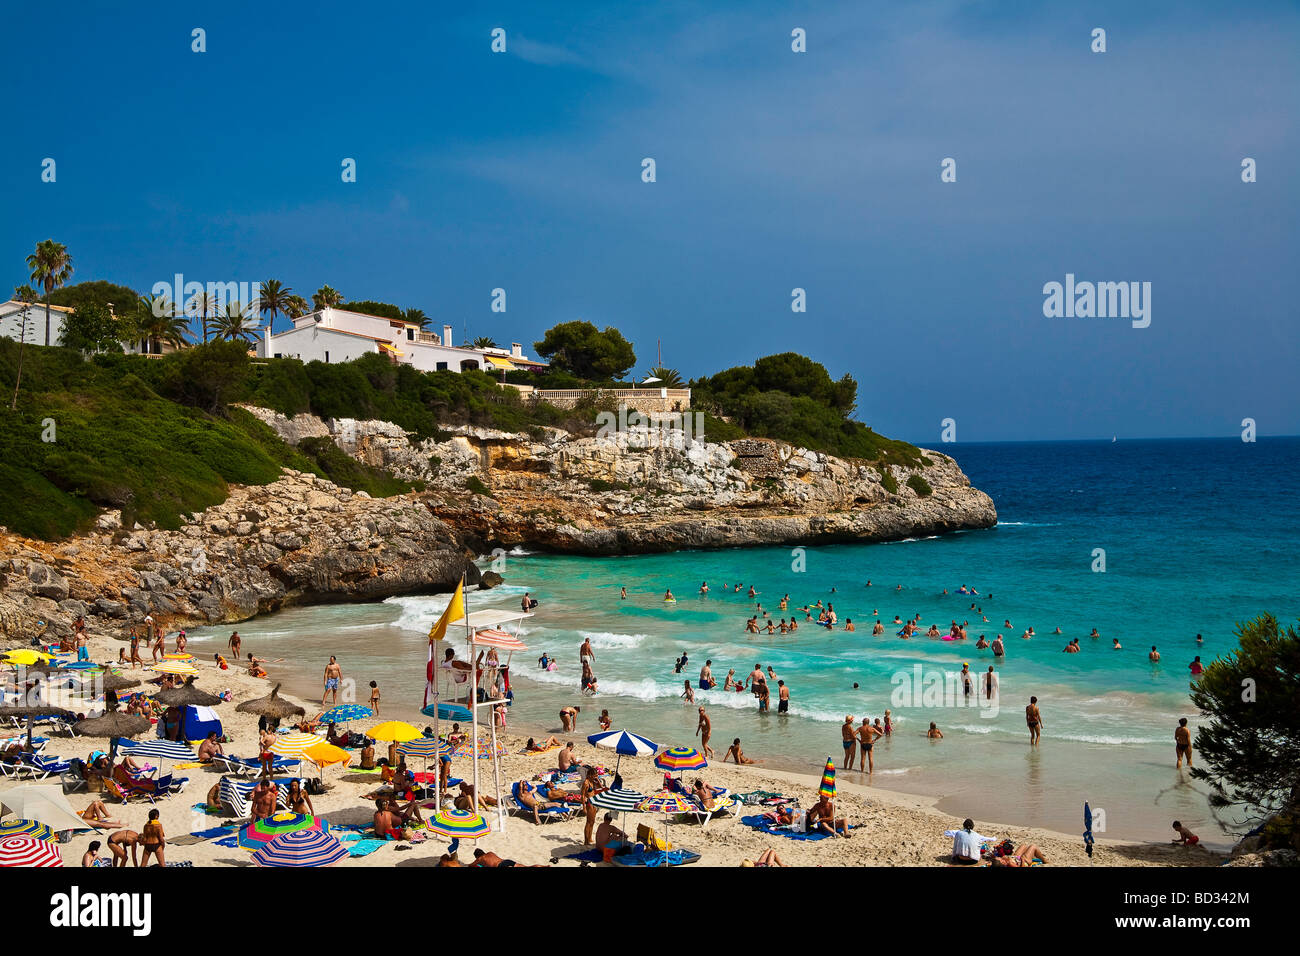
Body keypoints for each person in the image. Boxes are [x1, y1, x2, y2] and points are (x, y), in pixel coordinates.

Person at [580, 766, 605, 844]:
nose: (596, 777)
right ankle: (586, 840)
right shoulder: (586, 783)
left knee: (592, 822)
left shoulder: (593, 781)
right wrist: (584, 807)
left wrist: (597, 780)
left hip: (594, 802)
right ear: (590, 775)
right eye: (595, 775)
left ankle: (590, 838)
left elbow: (601, 788)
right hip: (589, 803)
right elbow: (583, 795)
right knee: (588, 822)